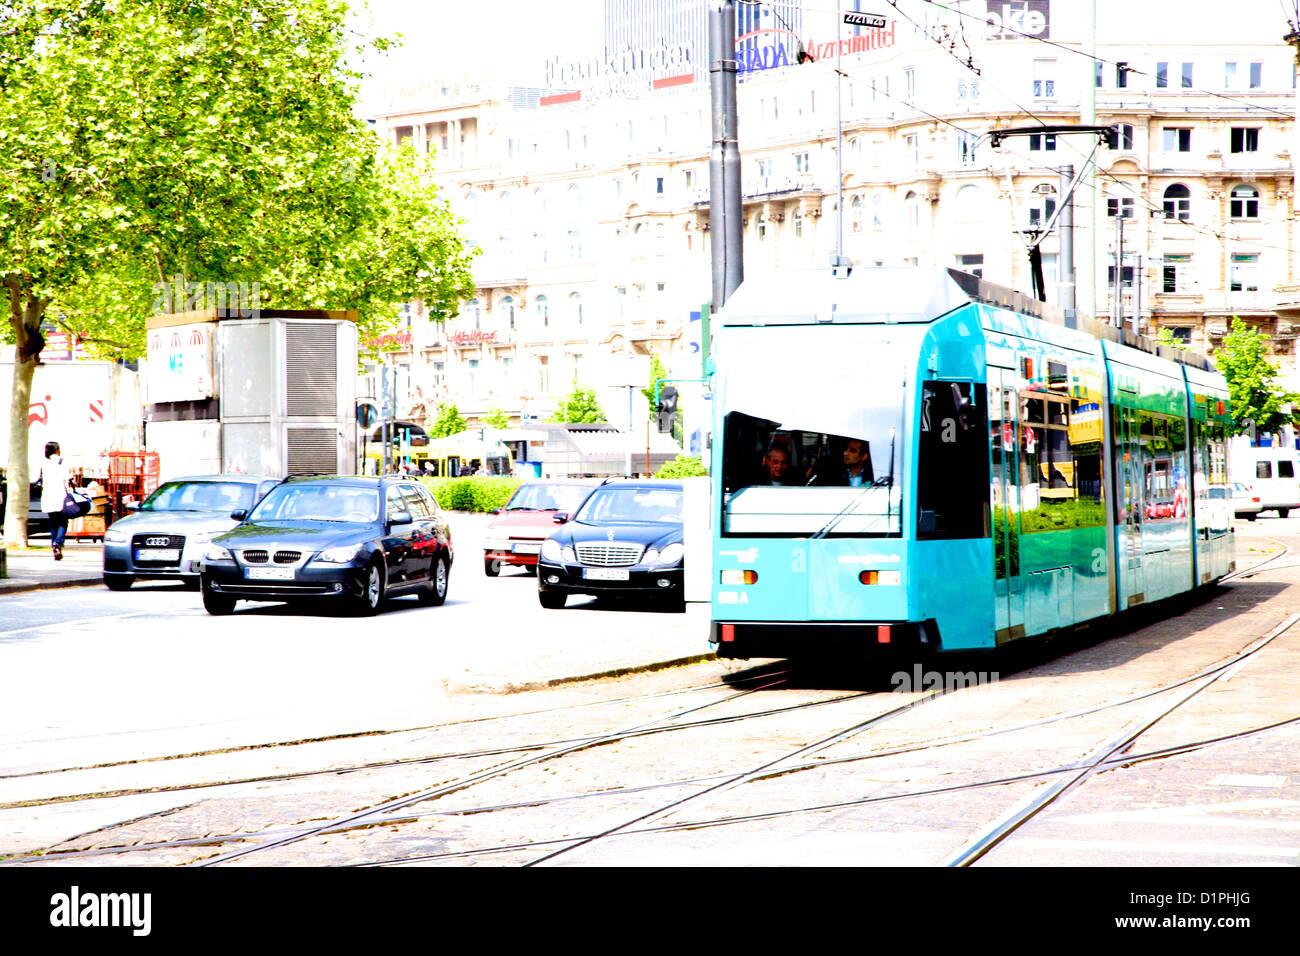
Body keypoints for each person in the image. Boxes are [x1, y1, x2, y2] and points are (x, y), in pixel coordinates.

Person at [39, 441, 71, 561]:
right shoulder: (62, 461)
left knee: (53, 522)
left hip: (48, 496)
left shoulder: (44, 463)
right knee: (63, 522)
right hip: (60, 496)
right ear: (57, 450)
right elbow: (67, 478)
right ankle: (58, 543)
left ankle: (54, 546)